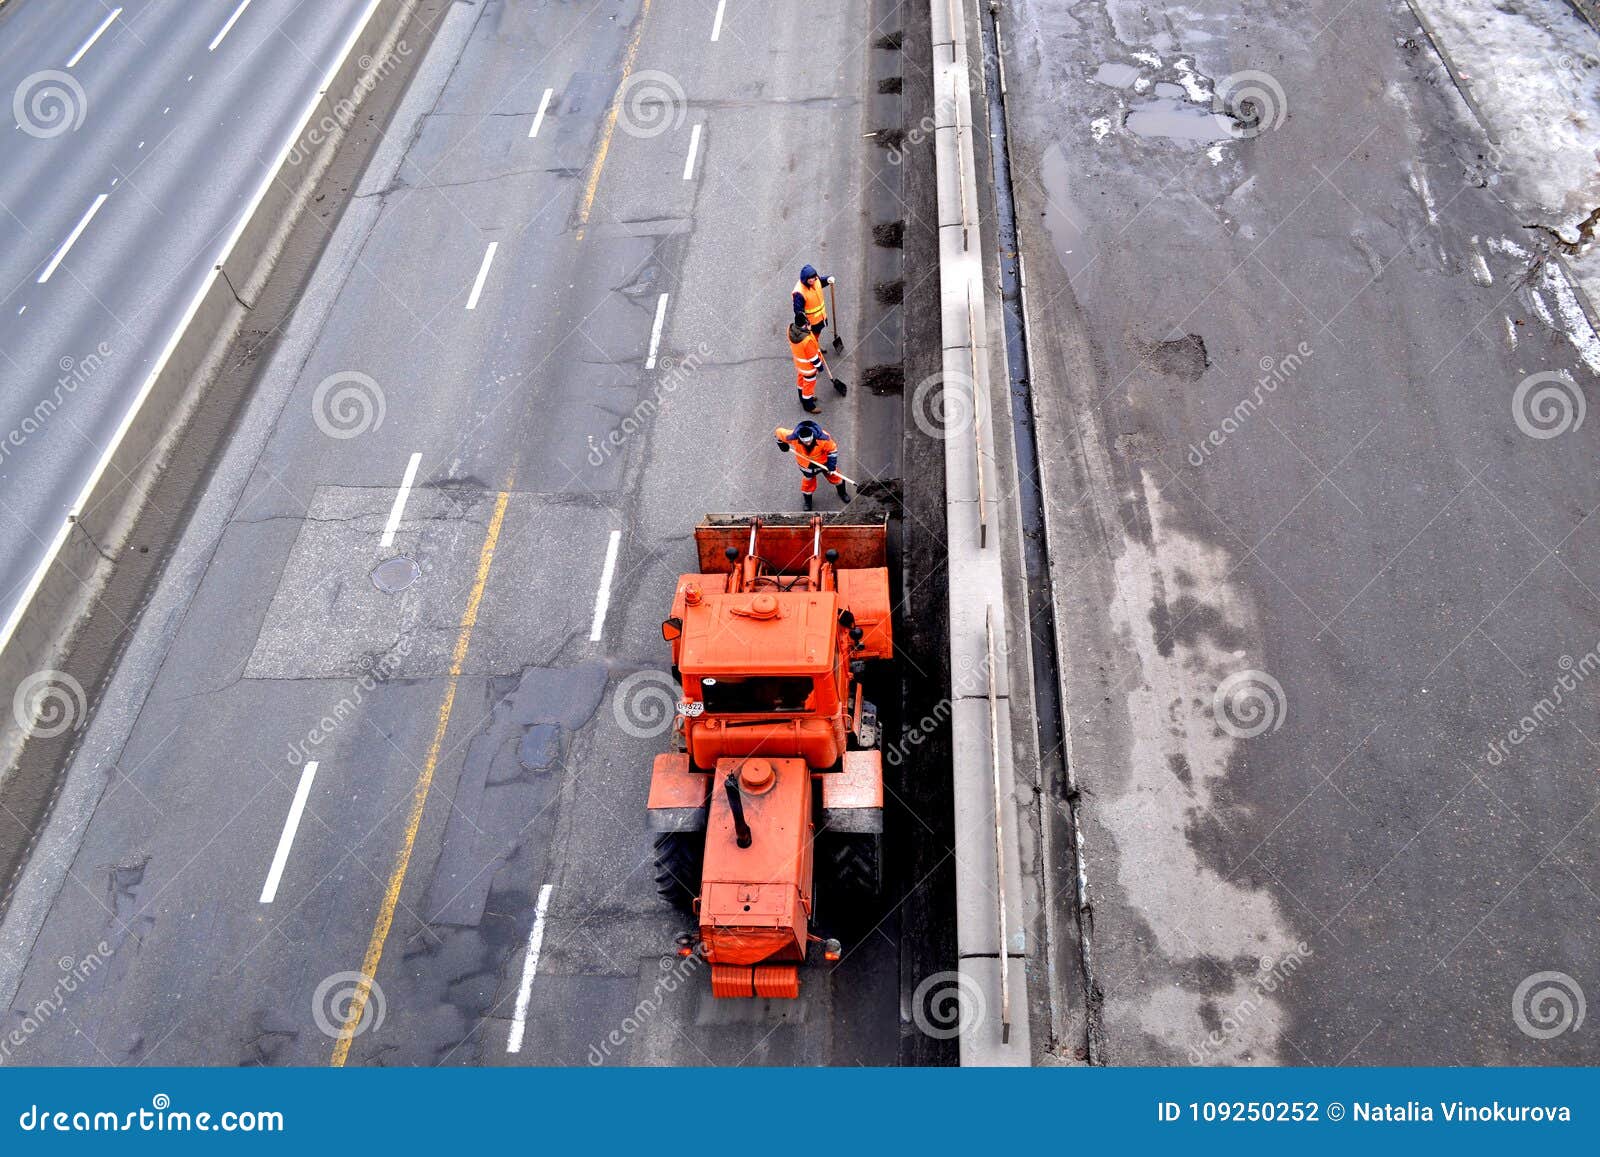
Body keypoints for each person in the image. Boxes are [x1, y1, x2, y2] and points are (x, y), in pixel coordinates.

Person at [774, 420, 850, 511]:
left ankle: (842, 493)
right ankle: (808, 502)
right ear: (799, 438)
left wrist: (831, 466)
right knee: (808, 483)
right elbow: (778, 432)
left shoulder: (823, 438)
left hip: (824, 463)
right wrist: (782, 444)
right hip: (806, 465)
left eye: (810, 440)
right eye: (805, 442)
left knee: (836, 477)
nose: (808, 443)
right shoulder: (792, 436)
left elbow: (832, 450)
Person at [788, 321, 824, 412]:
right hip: (808, 369)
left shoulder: (791, 330)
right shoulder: (806, 341)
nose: (810, 326)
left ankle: (802, 397)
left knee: (801, 380)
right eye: (808, 324)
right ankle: (808, 405)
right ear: (804, 326)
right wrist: (820, 367)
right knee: (809, 386)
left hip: (800, 366)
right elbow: (814, 358)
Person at [791, 264, 834, 339]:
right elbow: (798, 311)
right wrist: (806, 323)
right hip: (810, 323)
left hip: (820, 318)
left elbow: (821, 282)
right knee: (811, 339)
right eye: (810, 278)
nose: (812, 280)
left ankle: (816, 346)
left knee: (816, 334)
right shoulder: (799, 293)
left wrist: (828, 279)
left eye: (813, 278)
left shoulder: (816, 280)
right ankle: (816, 349)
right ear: (805, 278)